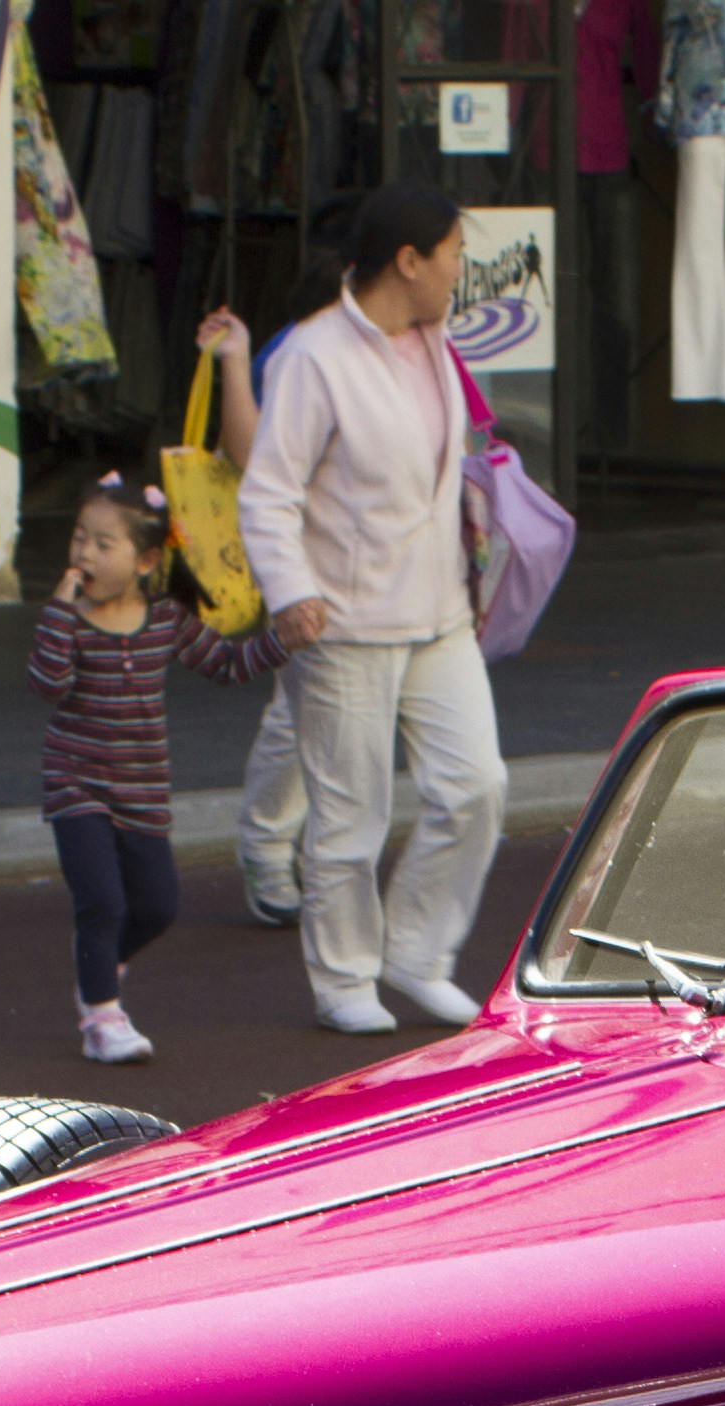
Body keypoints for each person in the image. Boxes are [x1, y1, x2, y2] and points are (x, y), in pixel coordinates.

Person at [242, 182, 510, 1036]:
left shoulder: (432, 338)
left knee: (477, 786)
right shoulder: (312, 356)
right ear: (409, 261)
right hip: (345, 624)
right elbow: (267, 494)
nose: (460, 273)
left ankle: (420, 957)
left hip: (440, 611)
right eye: (454, 256)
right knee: (350, 815)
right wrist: (292, 592)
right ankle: (345, 979)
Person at [32, 445, 305, 1065]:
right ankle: (102, 1019)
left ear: (146, 559)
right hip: (76, 784)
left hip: (142, 789)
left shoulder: (164, 620)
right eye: (81, 539)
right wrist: (56, 609)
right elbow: (46, 684)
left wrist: (280, 642)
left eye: (105, 545)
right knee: (100, 899)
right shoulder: (68, 620)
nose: (85, 555)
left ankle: (99, 963)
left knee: (158, 906)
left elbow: (227, 665)